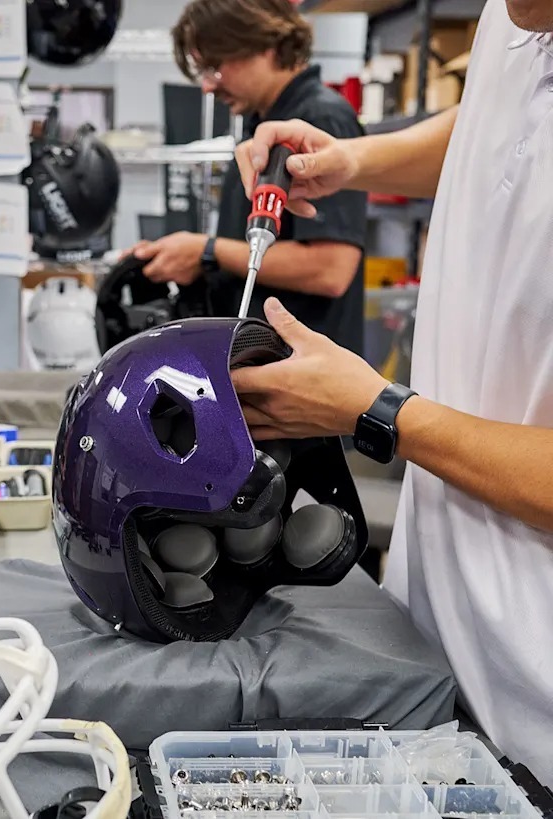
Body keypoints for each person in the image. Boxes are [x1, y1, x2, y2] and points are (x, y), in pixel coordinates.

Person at [229, 0, 553, 783]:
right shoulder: (512, 16)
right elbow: (498, 120)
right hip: (429, 649)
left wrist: (379, 411)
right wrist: (353, 161)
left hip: (535, 717)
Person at [125, 0, 368, 355]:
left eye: (215, 67)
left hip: (302, 374)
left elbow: (330, 269)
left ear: (264, 43)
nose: (207, 86)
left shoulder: (320, 119)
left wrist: (208, 251)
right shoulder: (264, 126)